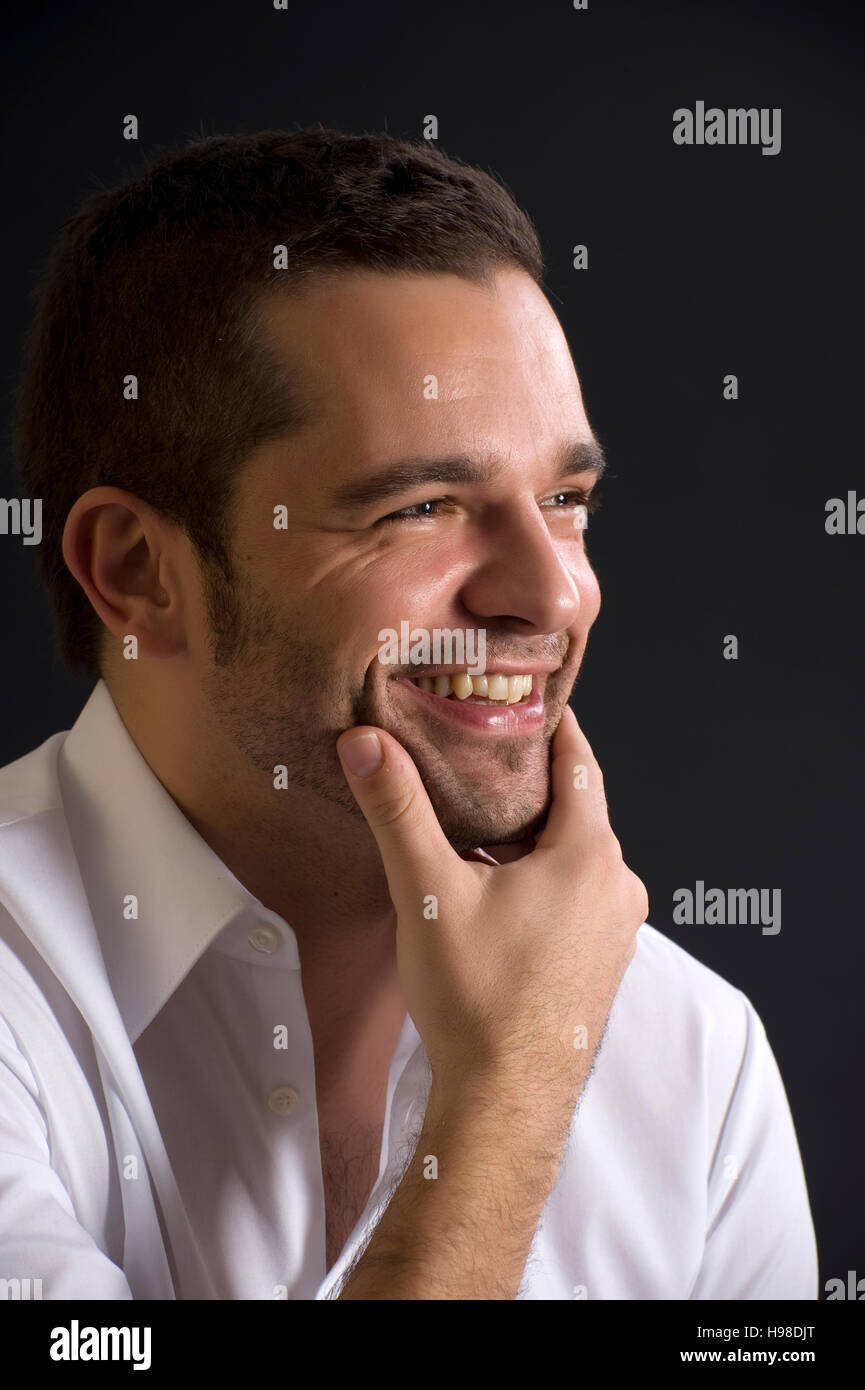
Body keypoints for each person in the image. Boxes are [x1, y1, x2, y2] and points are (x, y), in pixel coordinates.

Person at [0, 128, 816, 1299]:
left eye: (567, 499)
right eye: (424, 503)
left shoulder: (694, 1051)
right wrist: (507, 1097)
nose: (554, 593)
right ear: (136, 571)